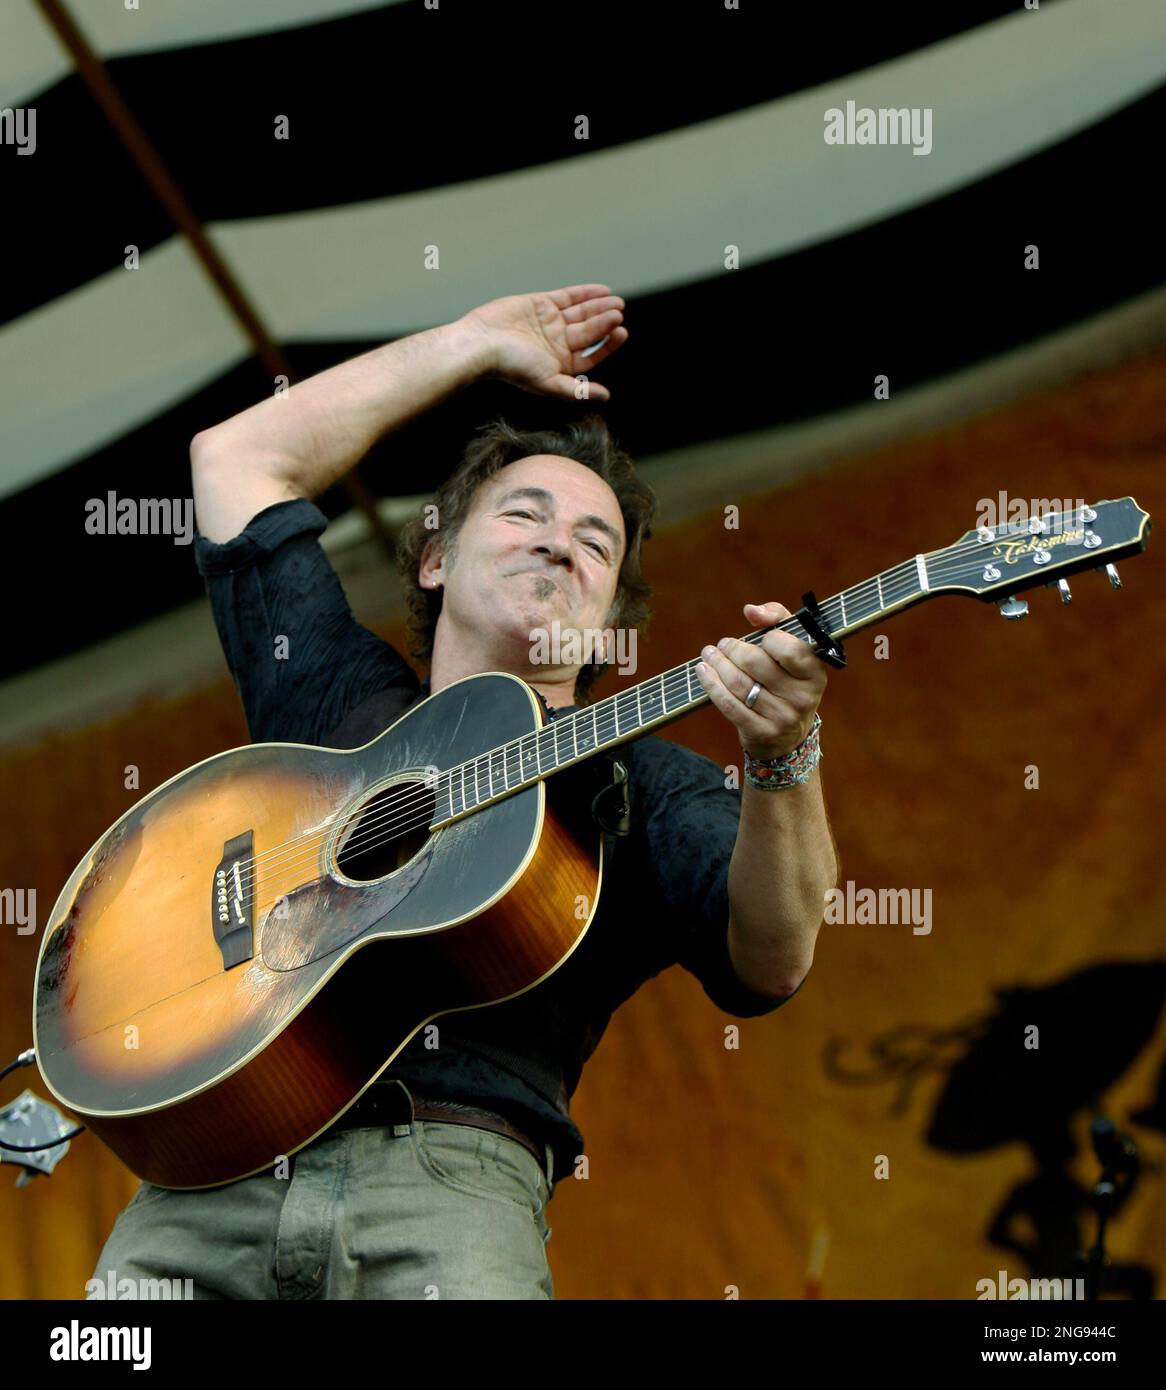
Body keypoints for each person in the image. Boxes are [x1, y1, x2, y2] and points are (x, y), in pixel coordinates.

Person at [87, 284, 838, 1300]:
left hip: (452, 1193)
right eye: (524, 512)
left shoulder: (641, 782)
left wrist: (784, 751)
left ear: (609, 612)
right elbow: (233, 460)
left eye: (595, 542)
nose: (558, 543)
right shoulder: (335, 692)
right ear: (435, 555)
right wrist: (467, 344)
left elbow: (773, 954)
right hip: (206, 1182)